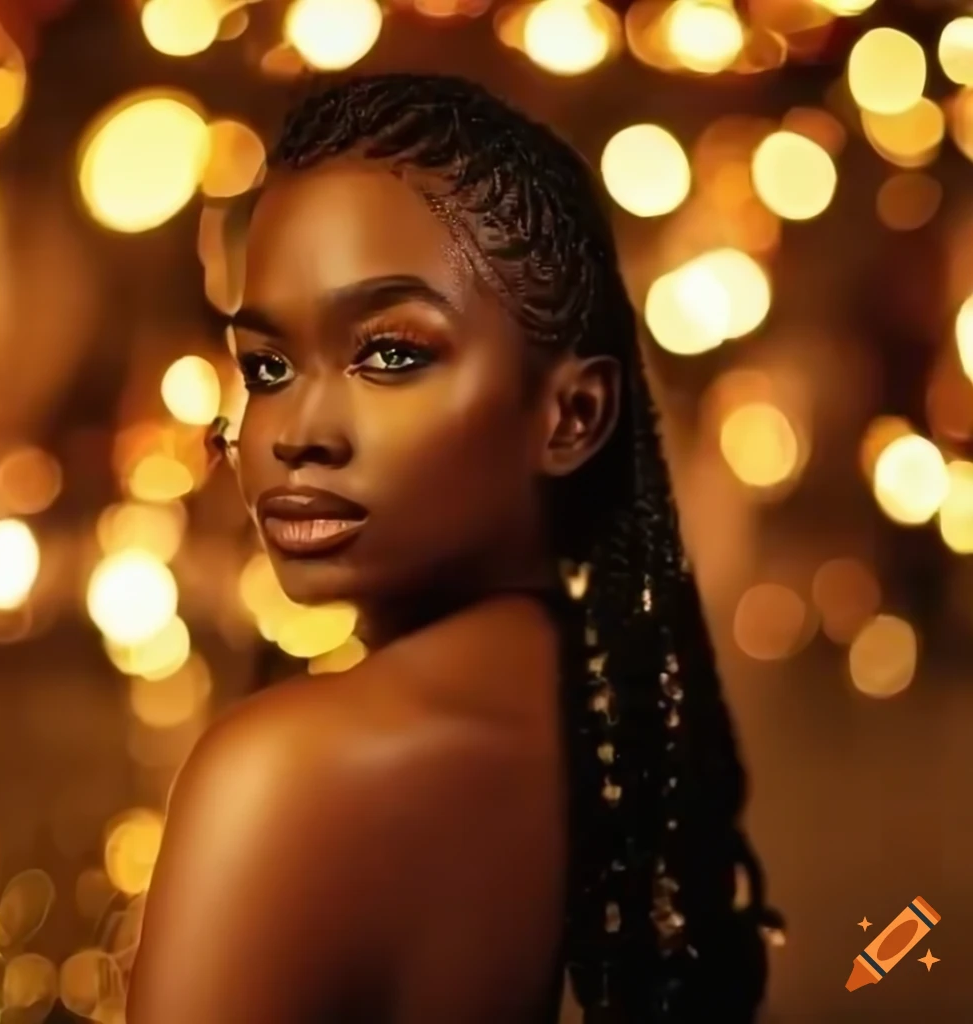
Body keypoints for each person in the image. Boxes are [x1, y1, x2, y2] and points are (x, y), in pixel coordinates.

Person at [126, 73, 780, 1024]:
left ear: (573, 413)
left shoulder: (281, 775)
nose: (294, 432)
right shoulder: (599, 719)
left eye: (391, 353)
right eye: (267, 365)